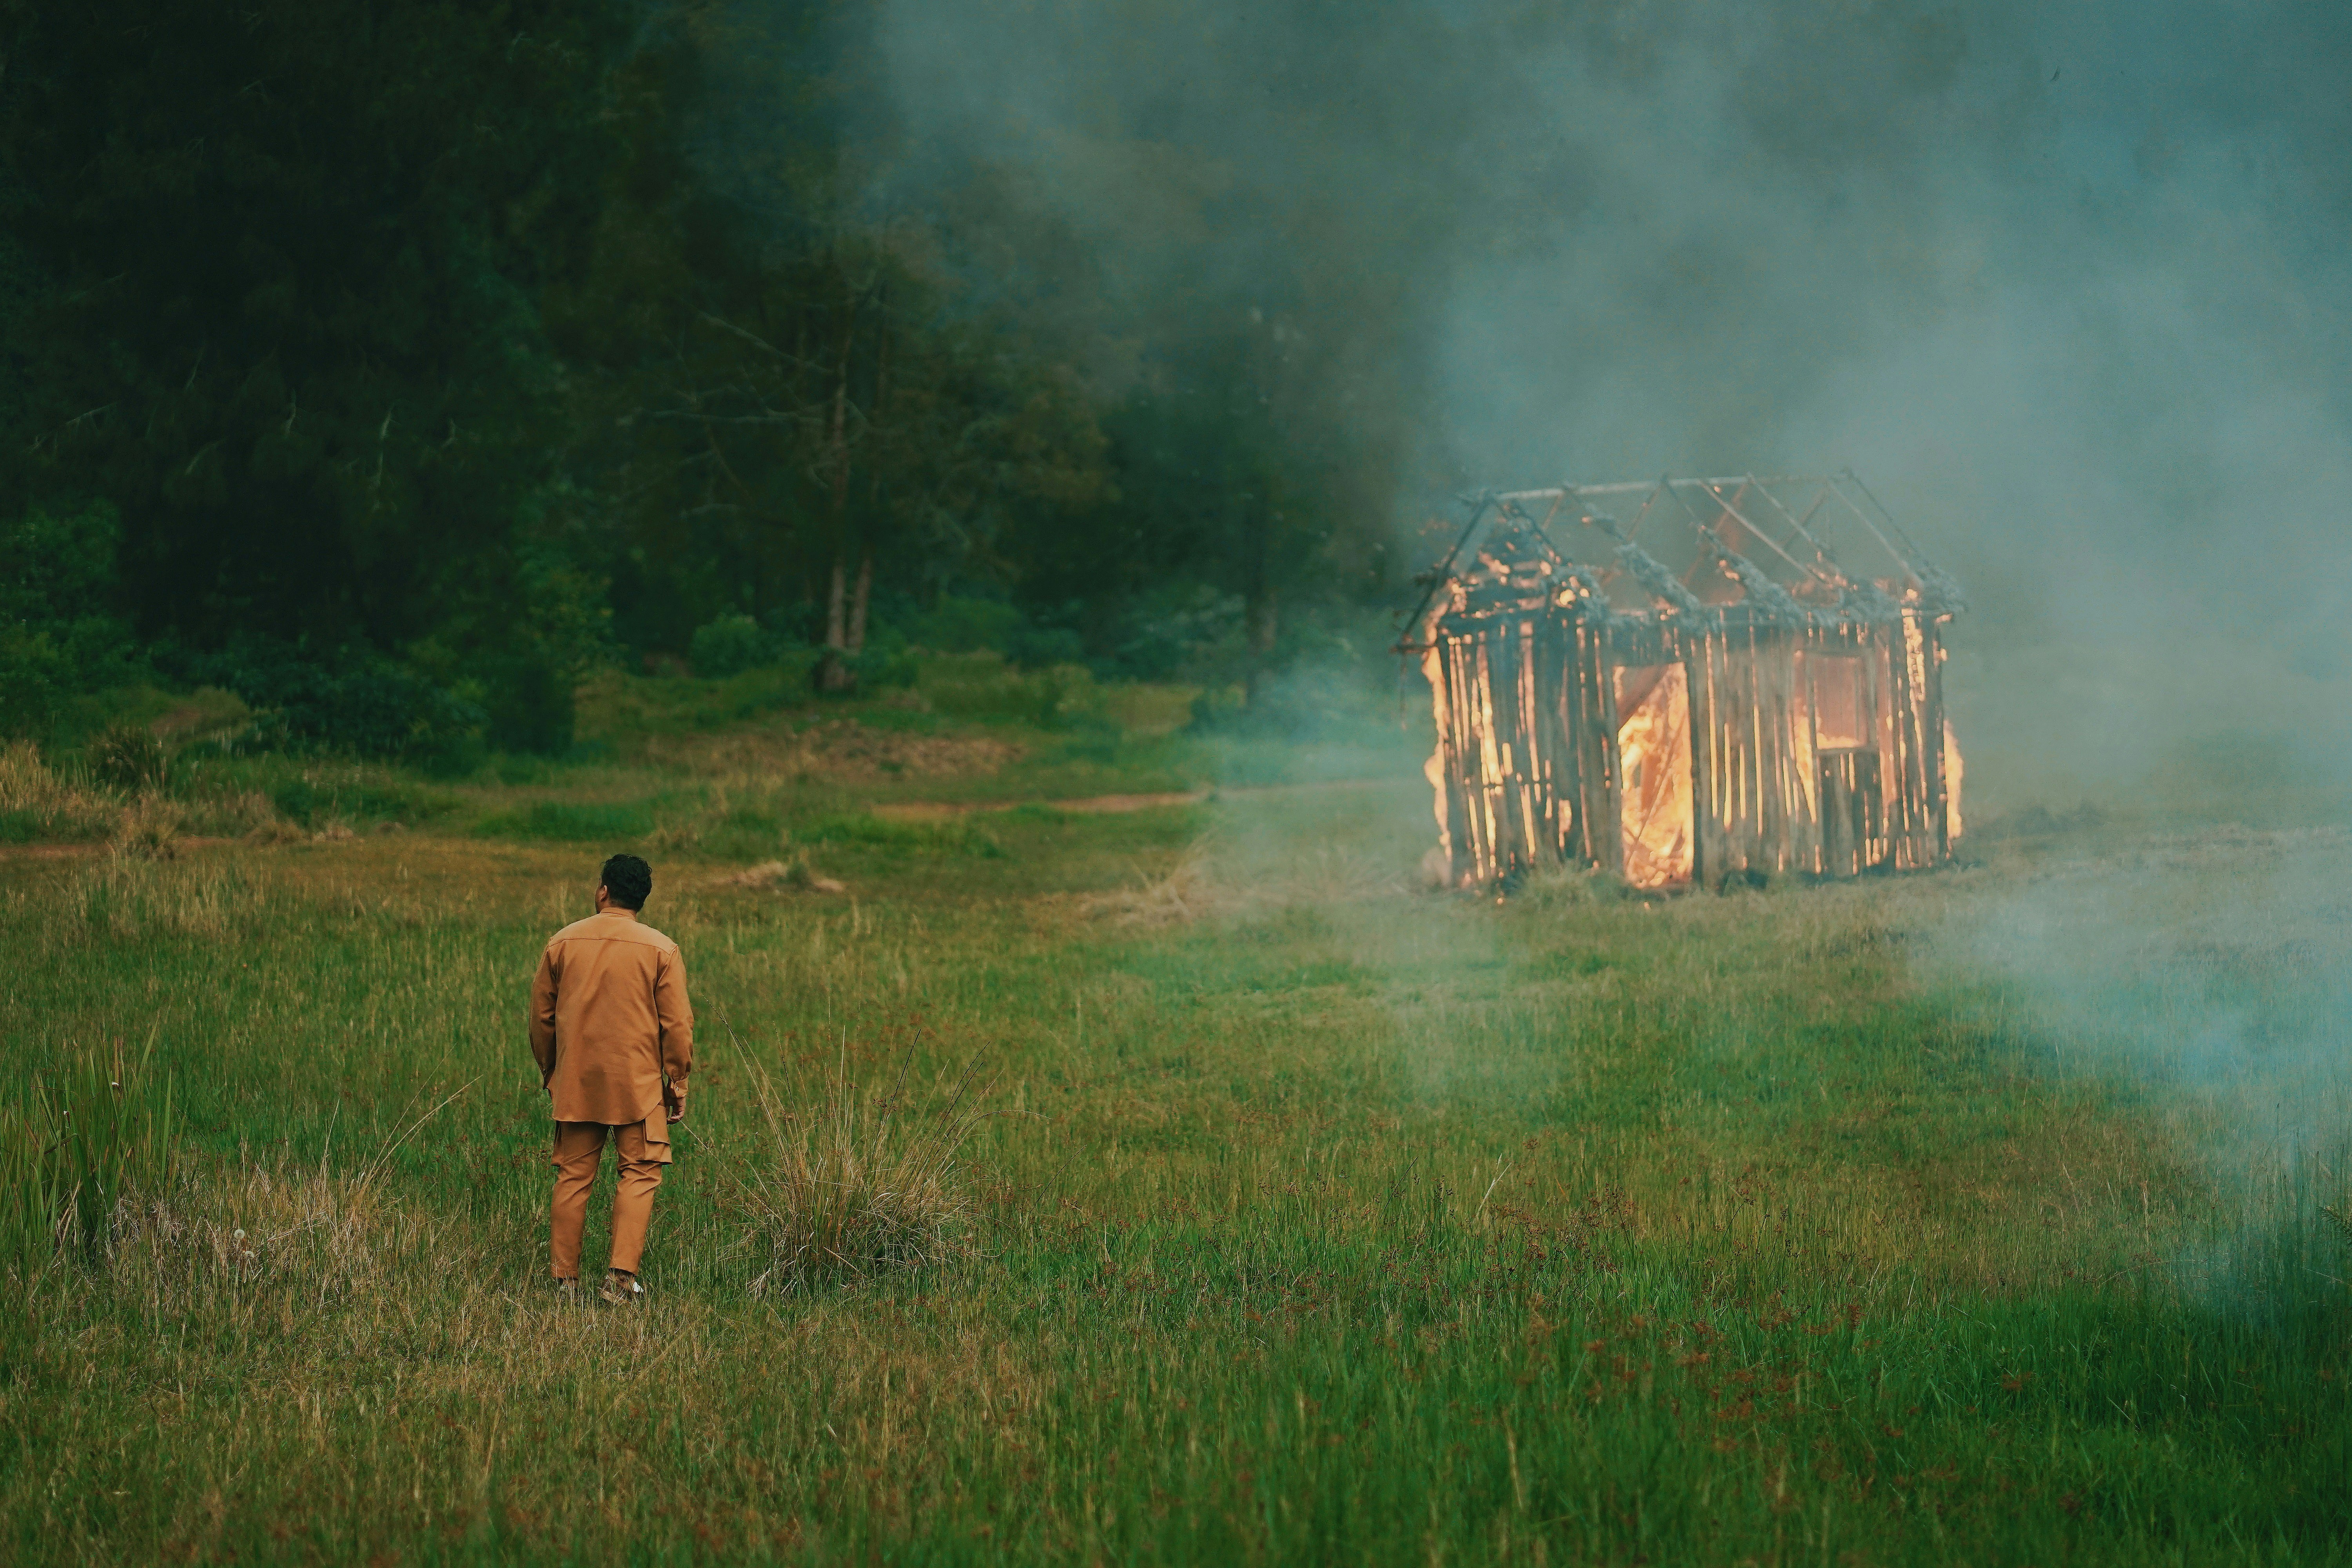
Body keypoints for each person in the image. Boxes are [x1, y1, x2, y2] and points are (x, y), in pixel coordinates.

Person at [529, 853, 694, 1303]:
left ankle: (564, 1282)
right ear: (641, 899)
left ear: (604, 891)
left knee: (573, 1177)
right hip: (638, 1086)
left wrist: (552, 1072)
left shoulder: (562, 942)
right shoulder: (662, 949)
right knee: (639, 1173)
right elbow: (677, 1026)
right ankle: (620, 1281)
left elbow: (542, 1018)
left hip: (577, 1081)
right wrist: (677, 1081)